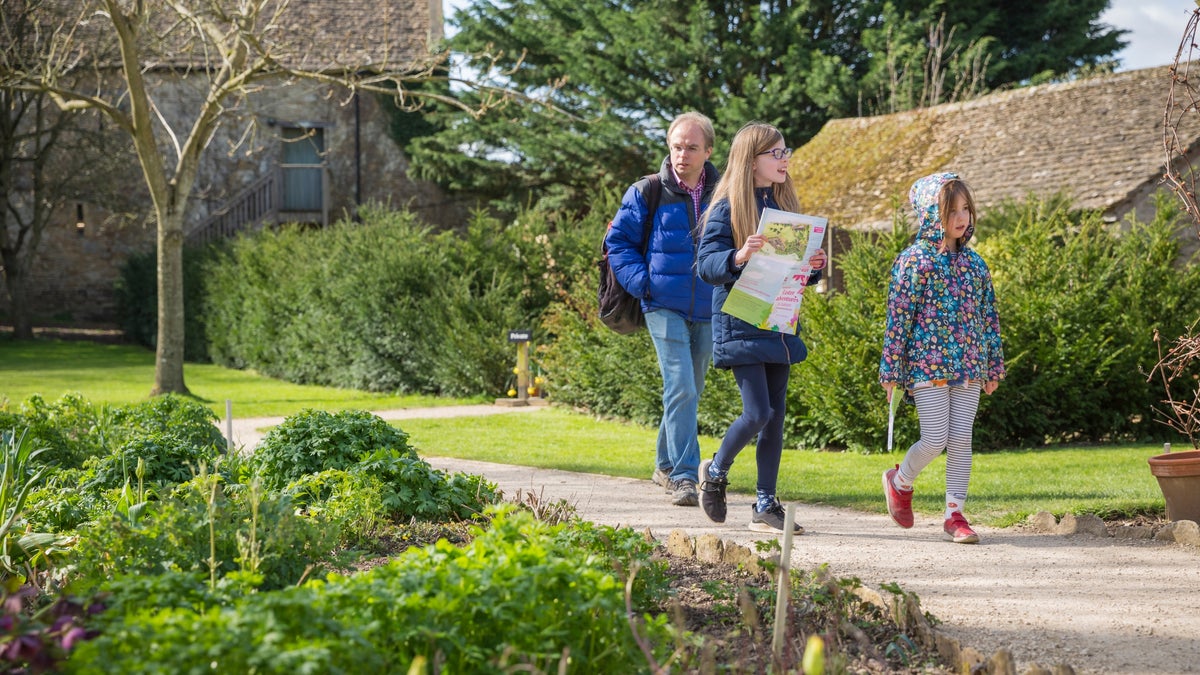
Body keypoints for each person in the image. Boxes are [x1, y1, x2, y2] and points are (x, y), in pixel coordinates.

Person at [695, 122, 827, 534]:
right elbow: (706, 267)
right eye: (777, 154)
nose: (785, 160)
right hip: (739, 321)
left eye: (786, 152)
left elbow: (790, 274)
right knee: (757, 413)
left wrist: (812, 269)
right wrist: (738, 255)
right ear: (752, 161)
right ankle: (715, 472)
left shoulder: (785, 212)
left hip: (779, 323)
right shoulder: (727, 208)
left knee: (775, 419)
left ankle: (766, 504)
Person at [878, 172, 1006, 544]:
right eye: (951, 210)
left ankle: (955, 515)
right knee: (935, 439)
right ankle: (900, 481)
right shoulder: (913, 261)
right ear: (932, 214)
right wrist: (891, 369)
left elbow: (988, 317)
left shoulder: (976, 265)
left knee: (962, 439)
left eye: (965, 208)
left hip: (969, 366)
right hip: (927, 366)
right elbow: (898, 318)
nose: (961, 217)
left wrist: (993, 365)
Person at [605, 112, 720, 507]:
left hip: (708, 305)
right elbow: (617, 243)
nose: (681, 155)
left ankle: (663, 463)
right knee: (681, 386)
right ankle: (685, 477)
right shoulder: (646, 190)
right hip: (662, 304)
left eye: (691, 147)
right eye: (675, 146)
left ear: (708, 150)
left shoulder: (723, 193)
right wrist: (644, 284)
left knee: (690, 390)